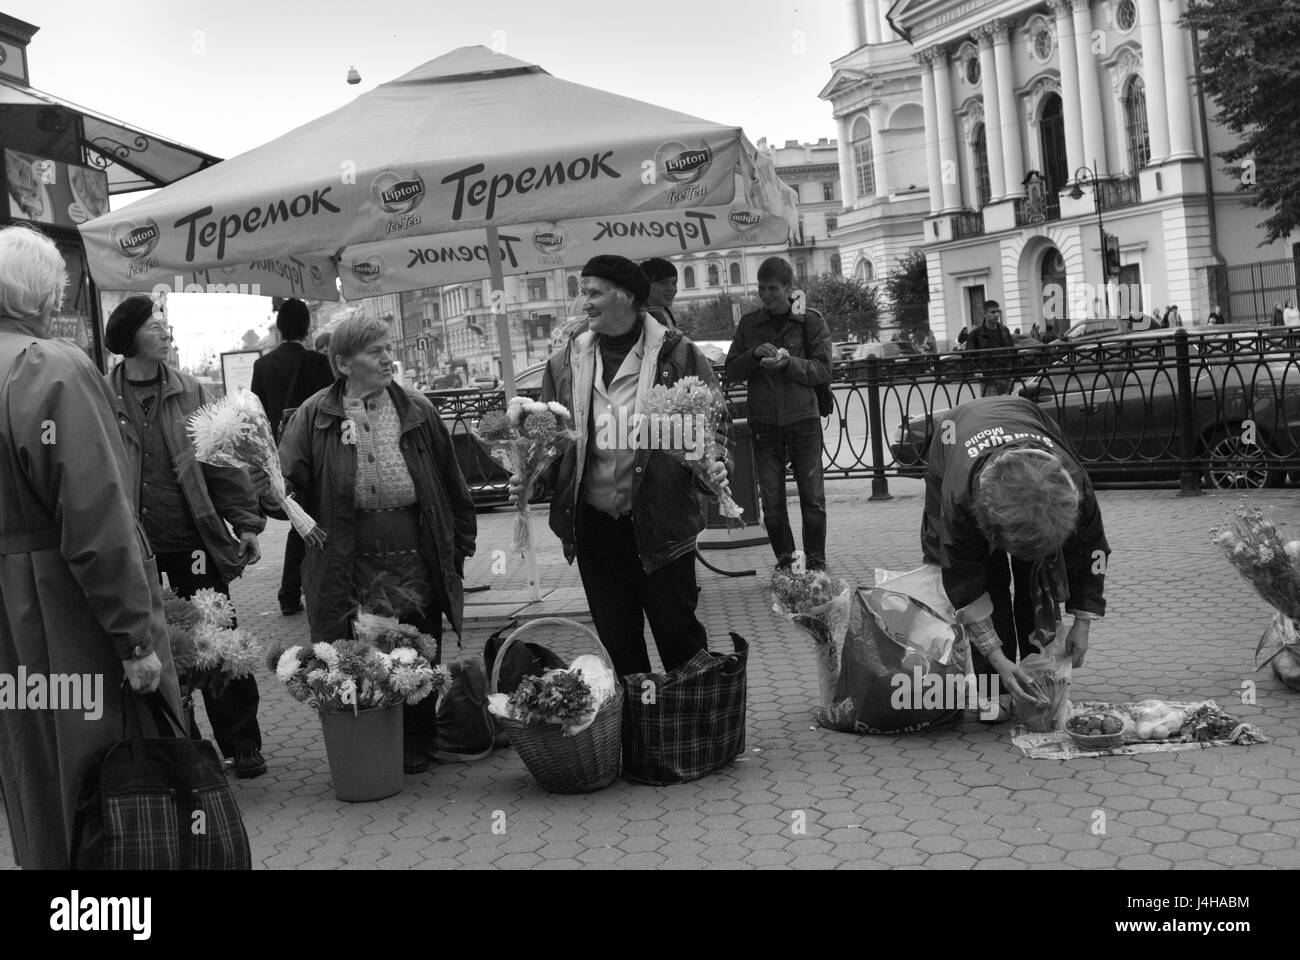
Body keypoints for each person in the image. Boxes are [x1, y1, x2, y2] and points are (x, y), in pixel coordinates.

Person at [0, 225, 181, 867]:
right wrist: (134, 637)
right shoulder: (47, 367)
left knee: (31, 773)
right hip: (65, 608)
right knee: (103, 780)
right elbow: (96, 520)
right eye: (60, 290)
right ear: (43, 295)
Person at [274, 315, 477, 773]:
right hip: (347, 555)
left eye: (388, 348)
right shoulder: (315, 415)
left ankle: (416, 741)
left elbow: (452, 483)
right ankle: (367, 738)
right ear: (343, 363)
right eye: (374, 352)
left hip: (415, 548)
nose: (387, 359)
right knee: (357, 650)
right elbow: (288, 482)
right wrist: (270, 492)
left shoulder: (418, 410)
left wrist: (460, 543)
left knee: (418, 644)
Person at [519, 255, 730, 677]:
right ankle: (637, 739)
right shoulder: (565, 362)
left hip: (661, 525)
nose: (584, 303)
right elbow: (550, 440)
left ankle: (692, 735)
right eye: (583, 293)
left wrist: (714, 466)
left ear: (626, 297)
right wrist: (530, 479)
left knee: (681, 642)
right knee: (619, 647)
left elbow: (715, 426)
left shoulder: (678, 354)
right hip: (596, 530)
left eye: (593, 293)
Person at [105, 295, 269, 779]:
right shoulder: (101, 394)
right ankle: (182, 745)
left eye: (167, 325)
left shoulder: (192, 392)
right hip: (135, 548)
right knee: (159, 646)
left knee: (218, 642)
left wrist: (245, 523)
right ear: (131, 337)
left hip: (191, 542)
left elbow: (219, 461)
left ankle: (243, 744)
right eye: (156, 326)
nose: (167, 333)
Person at [922, 395, 1109, 722]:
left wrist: (1084, 623)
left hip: (1024, 415)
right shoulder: (960, 500)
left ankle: (1038, 676)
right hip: (954, 435)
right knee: (988, 578)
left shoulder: (1075, 487)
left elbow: (1090, 551)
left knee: (1036, 578)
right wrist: (996, 658)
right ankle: (995, 688)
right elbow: (964, 584)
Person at [725, 256, 833, 571]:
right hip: (765, 423)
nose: (766, 294)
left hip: (803, 420)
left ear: (788, 289)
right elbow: (731, 371)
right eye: (761, 288)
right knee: (772, 503)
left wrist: (789, 363)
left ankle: (815, 563)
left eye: (772, 288)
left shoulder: (810, 321)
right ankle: (786, 563)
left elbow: (823, 370)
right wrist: (754, 354)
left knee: (812, 499)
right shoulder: (749, 324)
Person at [252, 299, 337, 616]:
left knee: (300, 516)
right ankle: (298, 590)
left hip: (279, 457)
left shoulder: (263, 366)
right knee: (308, 518)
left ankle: (290, 593)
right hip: (316, 453)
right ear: (308, 327)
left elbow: (256, 416)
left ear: (279, 329)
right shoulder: (318, 362)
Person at [965, 300, 1015, 396]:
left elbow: (1012, 351)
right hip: (989, 379)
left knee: (1009, 408)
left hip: (1007, 376)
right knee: (992, 408)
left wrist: (1012, 370)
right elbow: (969, 355)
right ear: (984, 314)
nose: (996, 315)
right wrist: (977, 370)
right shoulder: (976, 333)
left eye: (998, 312)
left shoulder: (1005, 330)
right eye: (992, 312)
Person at [640, 257, 679, 330]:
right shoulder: (636, 320)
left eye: (674, 283)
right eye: (663, 283)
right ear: (645, 285)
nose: (672, 289)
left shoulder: (663, 313)